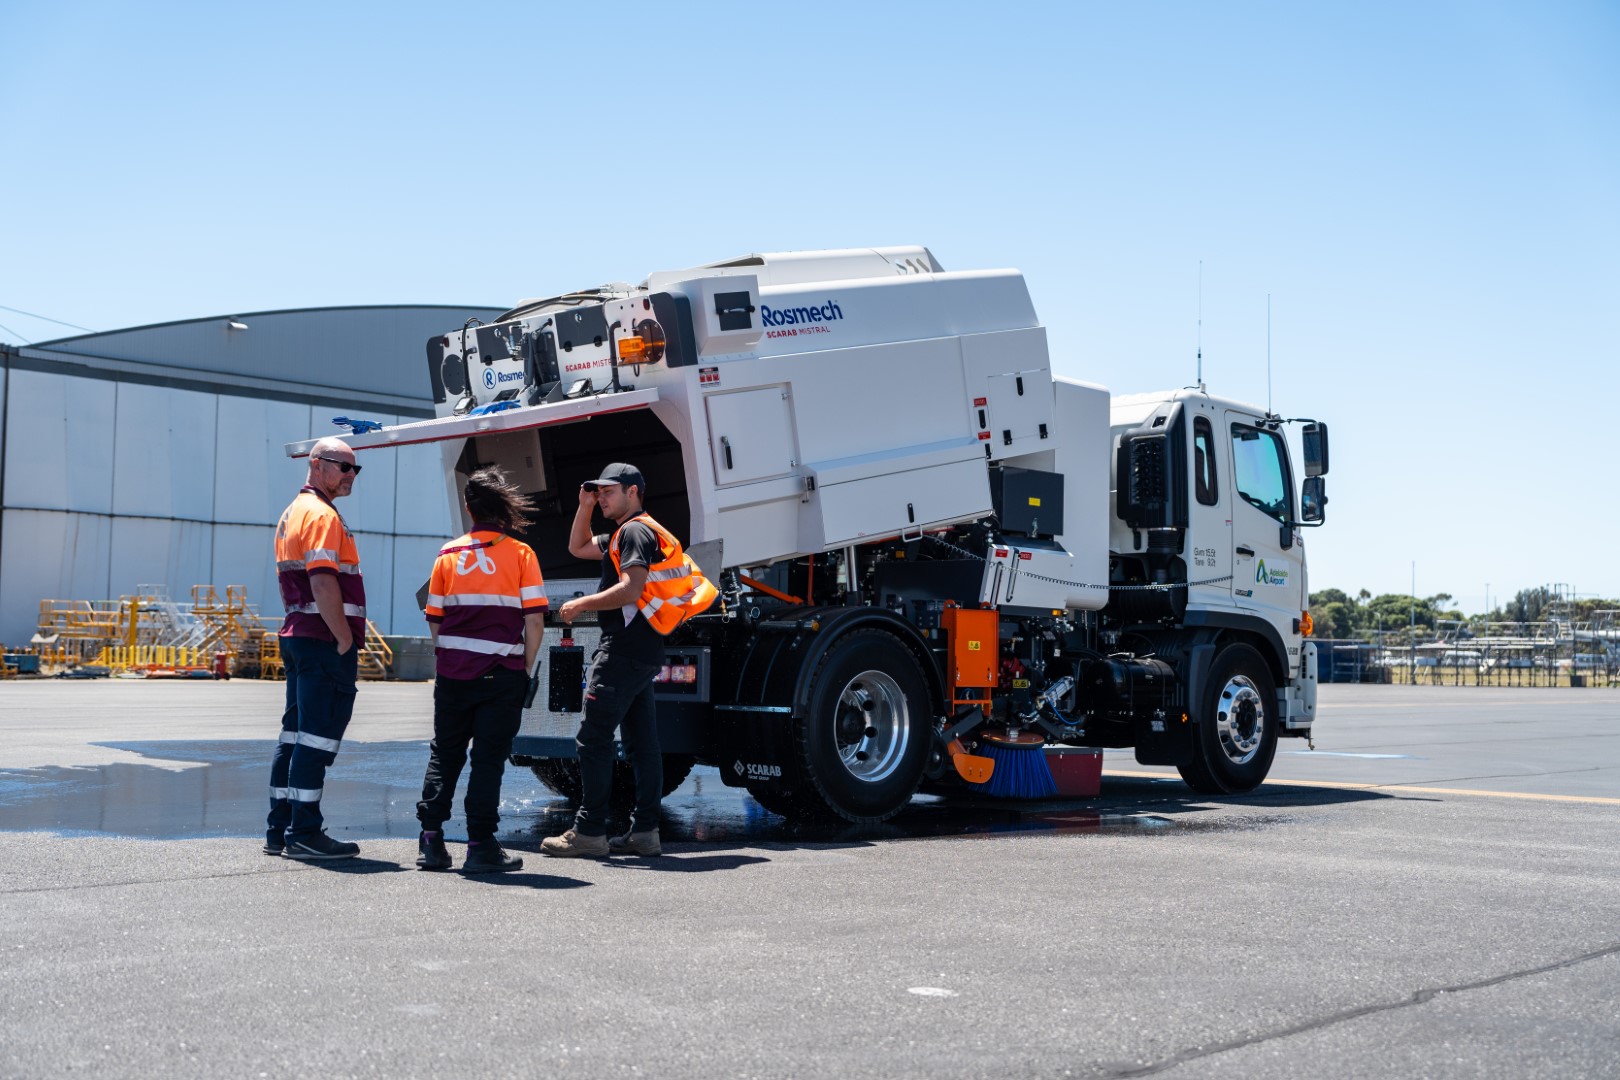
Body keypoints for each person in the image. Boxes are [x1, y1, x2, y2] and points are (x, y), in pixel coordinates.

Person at [540, 463, 714, 858]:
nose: (602, 497)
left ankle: (589, 832)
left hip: (622, 648)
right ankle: (646, 832)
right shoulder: (630, 531)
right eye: (597, 492)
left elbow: (631, 589)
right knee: (641, 744)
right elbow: (577, 548)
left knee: (592, 737)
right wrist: (584, 506)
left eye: (608, 492)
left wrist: (582, 604)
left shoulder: (634, 531)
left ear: (633, 491)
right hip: (642, 649)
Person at [415, 467, 547, 873]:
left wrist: (452, 655)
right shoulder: (521, 554)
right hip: (500, 673)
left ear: (469, 509)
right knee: (487, 760)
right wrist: (522, 667)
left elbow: (434, 617)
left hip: (453, 673)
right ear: (503, 510)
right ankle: (480, 846)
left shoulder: (447, 555)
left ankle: (431, 842)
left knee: (445, 753)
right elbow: (534, 622)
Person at [266, 437, 367, 861]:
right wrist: (343, 637)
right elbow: (323, 581)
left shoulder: (293, 513)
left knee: (293, 735)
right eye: (343, 466)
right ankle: (305, 830)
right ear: (316, 465)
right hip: (322, 642)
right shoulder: (322, 515)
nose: (351, 476)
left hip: (299, 637)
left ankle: (281, 828)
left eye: (355, 469)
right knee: (318, 738)